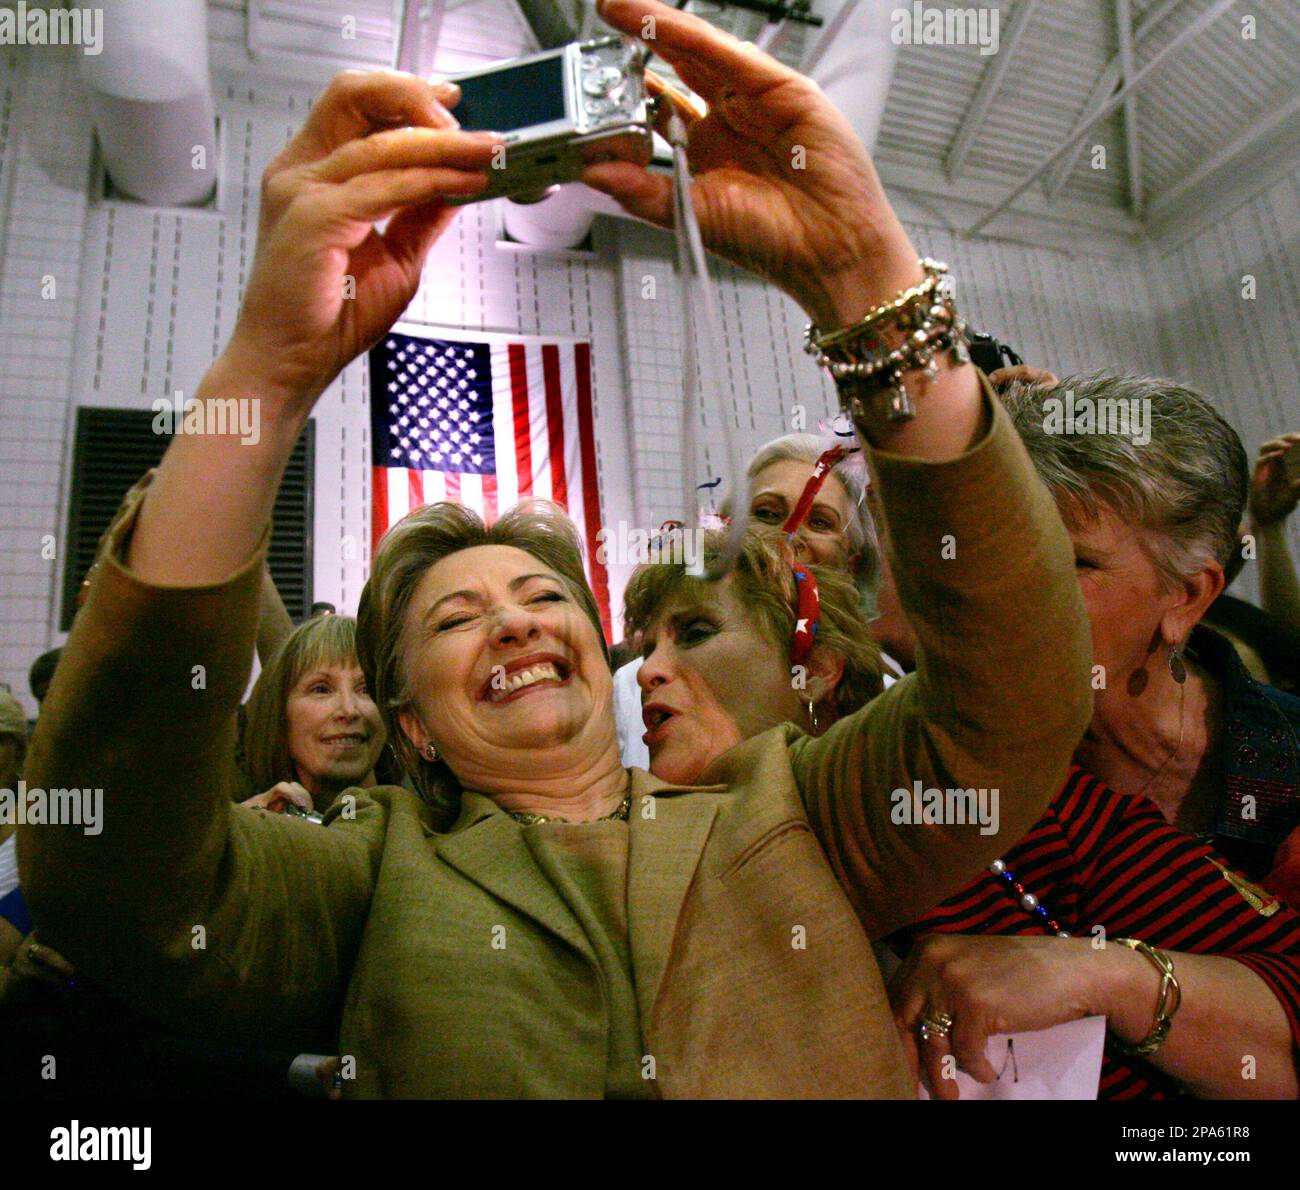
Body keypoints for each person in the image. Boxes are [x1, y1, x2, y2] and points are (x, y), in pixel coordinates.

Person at [20, 0, 1092, 1097]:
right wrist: (266, 371)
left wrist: (865, 277)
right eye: (453, 617)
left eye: (543, 594)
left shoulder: (791, 805)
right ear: (414, 730)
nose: (516, 619)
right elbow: (110, 871)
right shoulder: (364, 870)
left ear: (598, 651)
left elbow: (1011, 701)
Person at [614, 430, 881, 764]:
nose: (787, 536)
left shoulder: (899, 696)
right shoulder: (633, 683)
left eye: (820, 521)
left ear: (853, 563)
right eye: (766, 513)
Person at [238, 613, 390, 814]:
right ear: (279, 714)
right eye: (321, 690)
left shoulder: (428, 823)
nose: (349, 710)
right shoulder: (252, 827)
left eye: (366, 689)